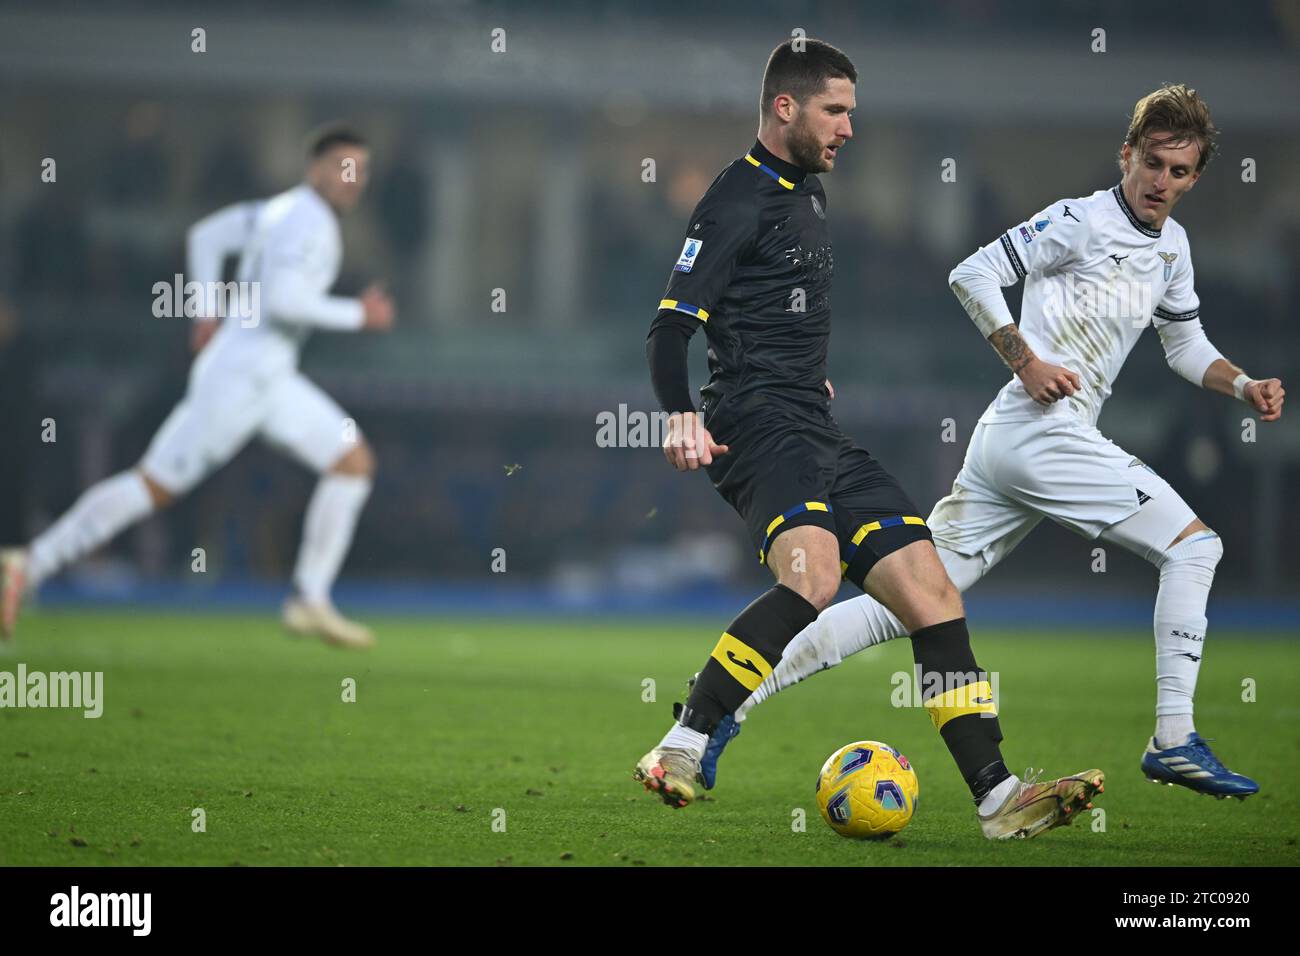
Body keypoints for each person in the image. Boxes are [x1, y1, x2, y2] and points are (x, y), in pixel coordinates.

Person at [706, 84, 1282, 802]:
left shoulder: (1173, 249)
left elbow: (1184, 343)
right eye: (1154, 164)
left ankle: (728, 709)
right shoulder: (1077, 220)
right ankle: (1172, 737)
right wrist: (1026, 359)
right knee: (1195, 547)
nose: (1163, 183)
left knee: (906, 601)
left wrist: (1243, 384)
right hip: (1041, 430)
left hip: (1015, 442)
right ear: (1127, 154)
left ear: (1195, 176)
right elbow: (971, 271)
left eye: (1181, 172)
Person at [634, 38, 1103, 840]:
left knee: (932, 592)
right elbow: (670, 327)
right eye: (836, 110)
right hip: (756, 426)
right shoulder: (734, 198)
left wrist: (806, 371)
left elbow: (773, 308)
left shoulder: (809, 193)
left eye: (852, 110)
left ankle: (997, 799)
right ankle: (683, 740)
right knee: (813, 576)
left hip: (814, 425)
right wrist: (681, 413)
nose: (851, 127)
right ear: (786, 107)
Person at [1, 125, 396, 649]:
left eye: (361, 170)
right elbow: (283, 301)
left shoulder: (276, 211)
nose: (353, 180)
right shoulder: (311, 223)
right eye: (343, 167)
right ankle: (28, 564)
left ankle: (310, 597)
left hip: (269, 375)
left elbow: (206, 236)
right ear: (315, 168)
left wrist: (205, 308)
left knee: (353, 462)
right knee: (154, 485)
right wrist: (358, 315)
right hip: (239, 378)